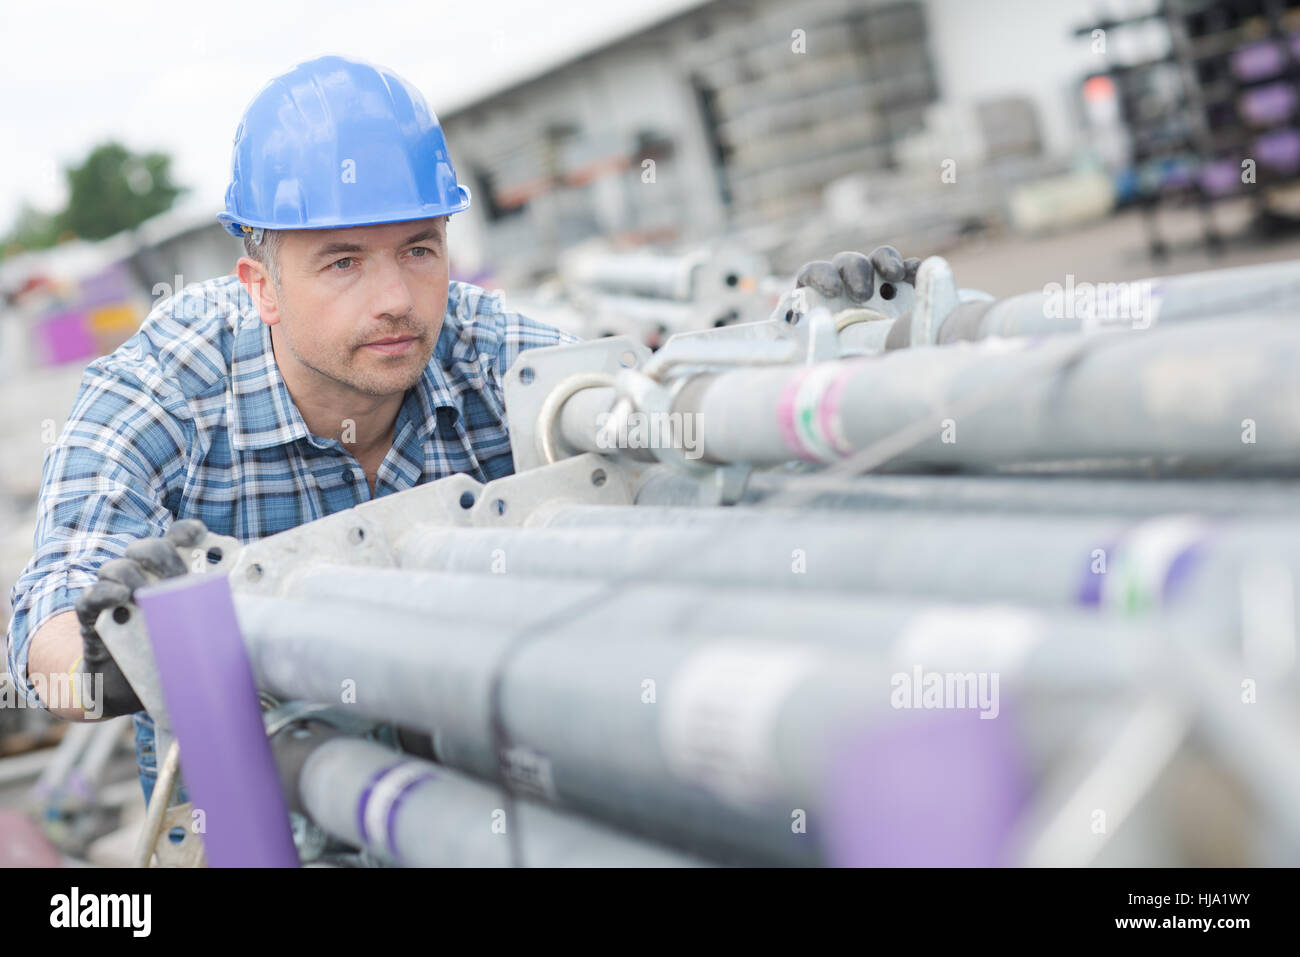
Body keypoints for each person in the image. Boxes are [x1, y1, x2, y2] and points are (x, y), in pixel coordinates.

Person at [5, 52, 916, 810]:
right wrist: (102, 650)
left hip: (485, 794)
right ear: (261, 286)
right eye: (342, 262)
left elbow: (668, 414)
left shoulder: (495, 354)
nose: (396, 298)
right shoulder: (168, 385)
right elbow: (52, 612)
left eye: (419, 249)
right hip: (263, 816)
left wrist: (821, 350)